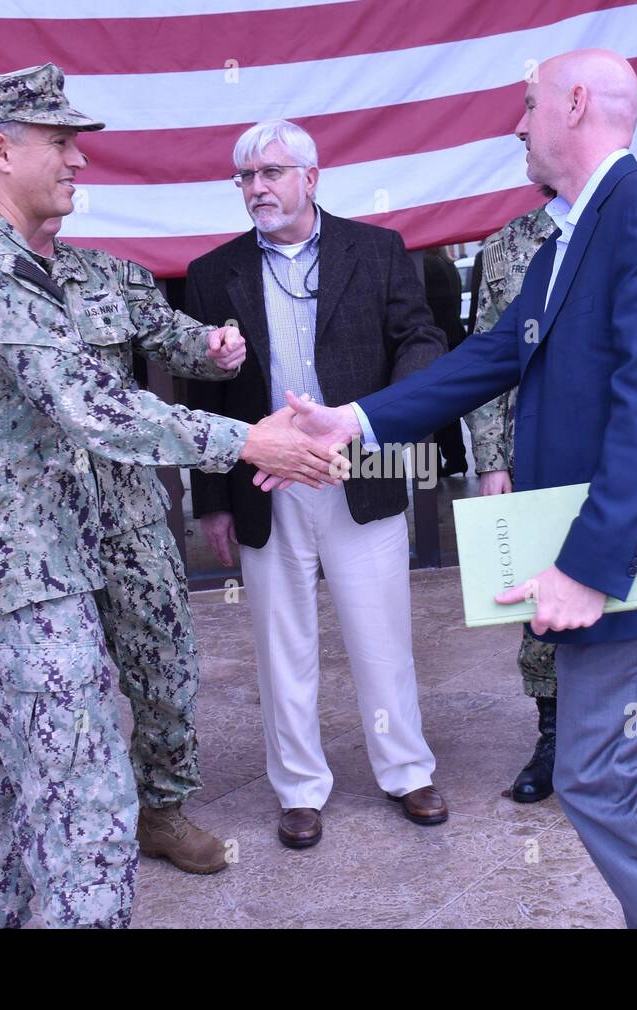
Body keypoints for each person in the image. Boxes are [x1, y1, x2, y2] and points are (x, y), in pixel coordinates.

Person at [278, 50, 637, 928]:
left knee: (600, 774)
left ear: (575, 104)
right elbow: (494, 355)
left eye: (528, 106)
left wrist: (590, 567)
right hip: (613, 553)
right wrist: (356, 420)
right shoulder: (569, 231)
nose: (517, 124)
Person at [0, 64, 341, 928]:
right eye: (60, 142)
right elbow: (91, 404)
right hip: (24, 572)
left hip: (52, 556)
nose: (77, 161)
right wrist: (248, 440)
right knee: (86, 801)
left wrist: (218, 364)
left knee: (14, 772)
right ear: (2, 150)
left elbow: (142, 363)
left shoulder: (26, 264)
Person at [186, 119, 449, 851]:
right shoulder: (214, 273)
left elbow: (422, 342)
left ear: (311, 177)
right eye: (244, 177)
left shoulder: (379, 251)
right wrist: (211, 499)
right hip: (265, 484)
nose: (256, 188)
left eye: (270, 172)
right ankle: (299, 791)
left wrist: (375, 422)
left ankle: (405, 771)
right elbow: (199, 394)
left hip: (358, 470)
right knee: (282, 646)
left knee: (382, 637)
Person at [28, 215, 245, 873]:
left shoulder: (108, 274)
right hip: (33, 529)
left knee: (167, 667)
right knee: (54, 683)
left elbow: (169, 336)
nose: (73, 166)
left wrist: (213, 346)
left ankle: (162, 811)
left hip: (128, 514)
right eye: (58, 149)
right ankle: (69, 818)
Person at [463, 195, 560, 802]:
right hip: (536, 457)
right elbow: (486, 358)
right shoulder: (508, 244)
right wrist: (492, 459)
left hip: (626, 456)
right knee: (539, 601)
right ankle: (554, 737)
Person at [423, 246, 469, 477]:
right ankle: (455, 457)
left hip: (436, 341)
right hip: (453, 336)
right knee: (448, 409)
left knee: (433, 409)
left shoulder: (426, 265)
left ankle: (438, 464)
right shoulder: (447, 264)